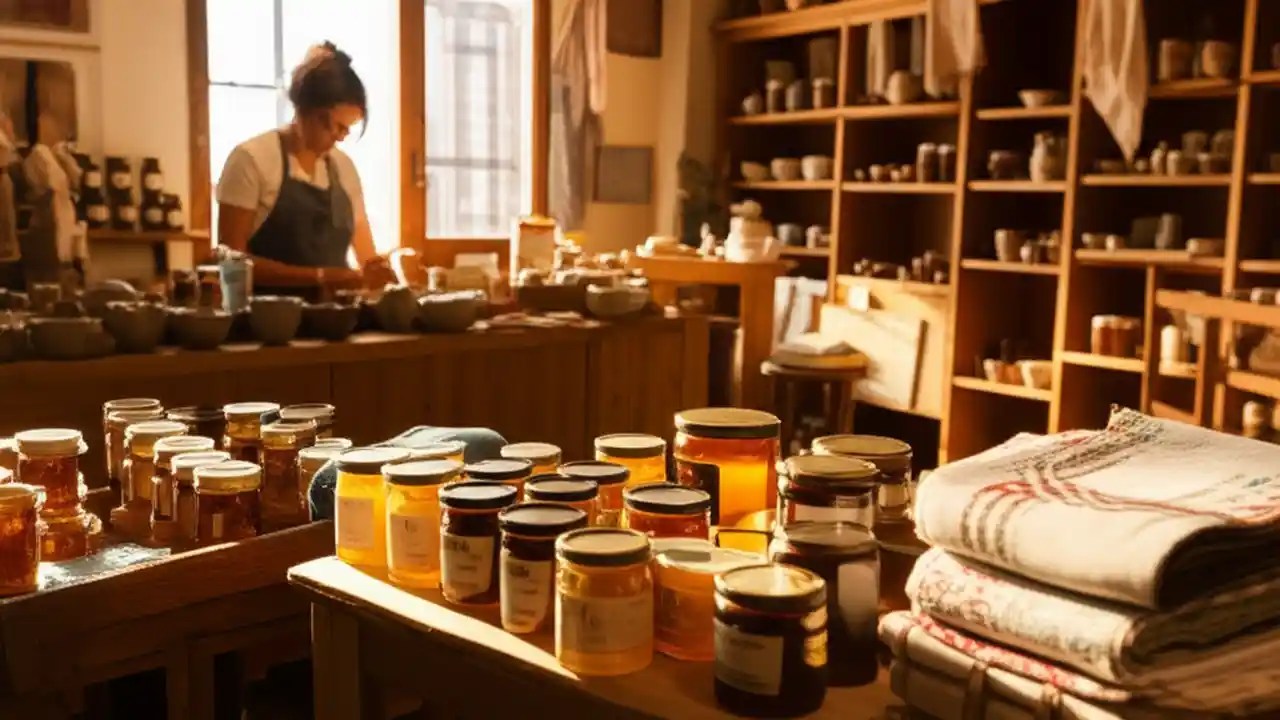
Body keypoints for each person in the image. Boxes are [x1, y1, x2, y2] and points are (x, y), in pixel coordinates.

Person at [216, 42, 387, 299]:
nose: (340, 137)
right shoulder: (252, 160)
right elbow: (231, 262)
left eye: (347, 130)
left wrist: (379, 271)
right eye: (336, 127)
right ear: (306, 111)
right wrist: (320, 277)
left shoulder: (344, 169)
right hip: (268, 317)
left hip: (335, 317)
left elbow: (367, 258)